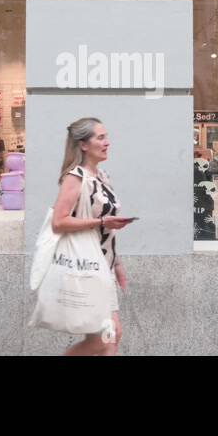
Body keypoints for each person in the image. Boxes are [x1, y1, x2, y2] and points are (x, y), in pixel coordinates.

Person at [51, 117, 134, 355]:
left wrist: (117, 263)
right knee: (105, 339)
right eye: (101, 137)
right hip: (87, 268)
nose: (107, 142)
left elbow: (106, 231)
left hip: (103, 267)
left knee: (112, 336)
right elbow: (59, 222)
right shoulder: (76, 177)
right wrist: (100, 221)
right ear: (84, 145)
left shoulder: (102, 177)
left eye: (106, 137)